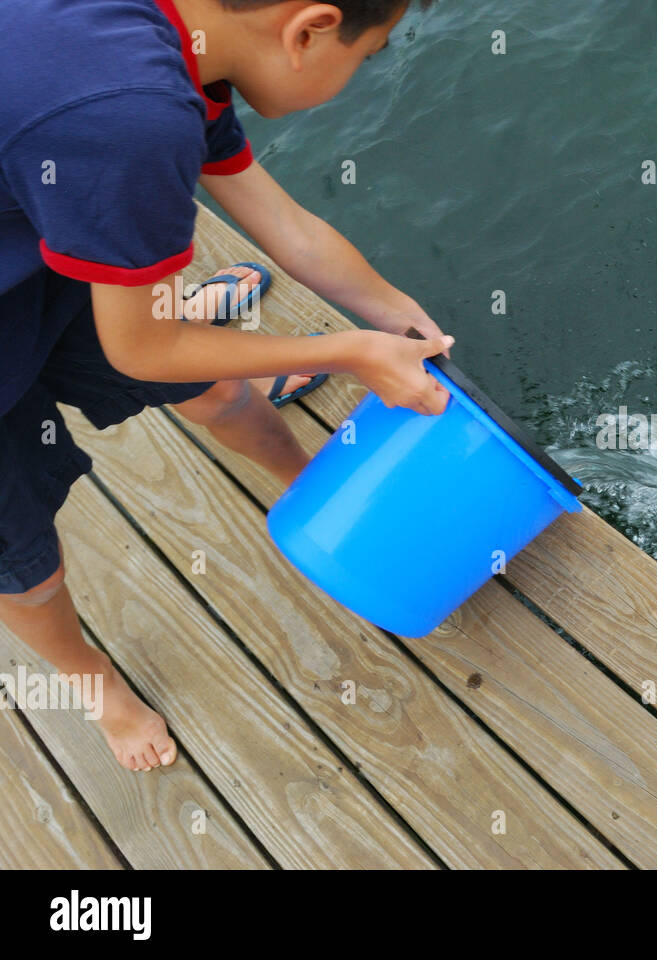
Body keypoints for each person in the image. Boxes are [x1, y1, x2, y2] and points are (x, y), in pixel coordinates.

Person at [0, 0, 449, 772]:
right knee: (26, 565)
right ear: (308, 29)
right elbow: (140, 348)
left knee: (213, 386)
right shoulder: (132, 119)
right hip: (67, 272)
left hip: (43, 242)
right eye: (367, 56)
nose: (360, 74)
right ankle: (92, 683)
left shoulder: (180, 39)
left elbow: (290, 226)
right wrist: (349, 351)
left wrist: (397, 318)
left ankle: (305, 482)